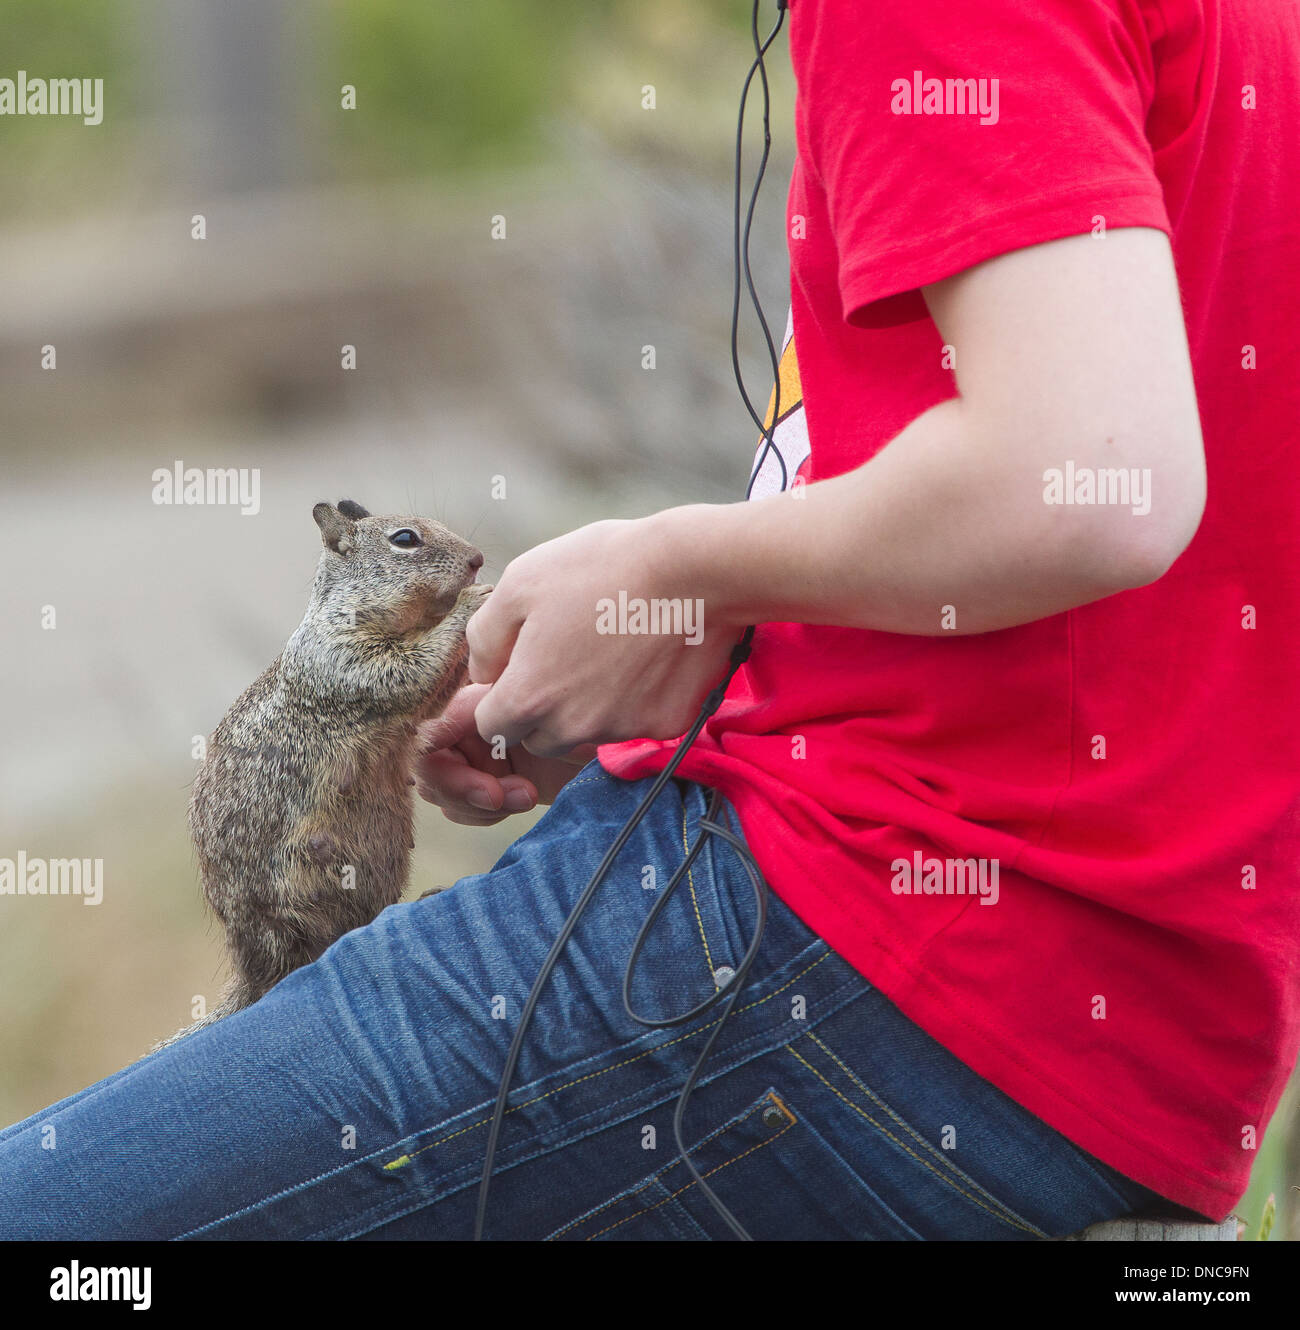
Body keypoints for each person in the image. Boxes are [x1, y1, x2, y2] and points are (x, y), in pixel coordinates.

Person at [2, 0, 1296, 1239]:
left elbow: (1097, 483)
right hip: (1141, 1031)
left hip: (882, 957)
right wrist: (715, 633)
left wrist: (681, 563)